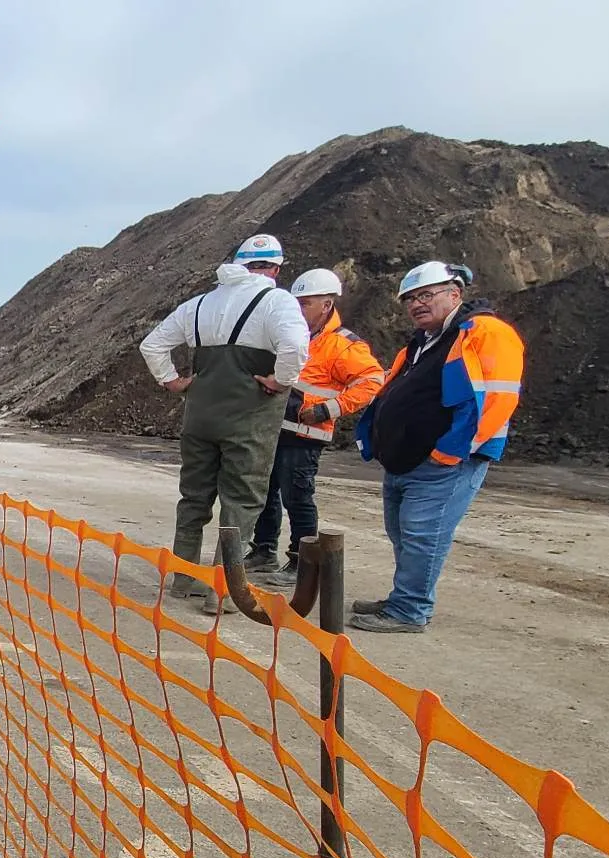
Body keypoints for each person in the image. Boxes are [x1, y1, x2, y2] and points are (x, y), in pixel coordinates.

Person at [351, 261, 525, 633]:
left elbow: (497, 398)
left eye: (426, 295)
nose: (417, 304)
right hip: (407, 460)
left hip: (445, 461)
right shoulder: (423, 343)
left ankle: (409, 610)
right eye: (410, 298)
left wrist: (450, 451)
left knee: (422, 534)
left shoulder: (485, 332)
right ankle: (404, 597)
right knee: (404, 533)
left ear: (455, 294)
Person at [139, 234, 311, 611]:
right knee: (242, 500)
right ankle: (224, 590)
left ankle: (184, 577)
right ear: (275, 269)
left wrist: (171, 380)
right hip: (248, 420)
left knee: (194, 496)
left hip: (199, 417)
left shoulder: (199, 304)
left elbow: (152, 344)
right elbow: (296, 346)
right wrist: (280, 380)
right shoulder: (276, 301)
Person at [248, 268, 387, 586]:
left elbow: (372, 381)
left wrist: (327, 409)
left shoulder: (341, 346)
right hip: (275, 429)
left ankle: (302, 563)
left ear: (326, 305)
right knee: (265, 491)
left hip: (305, 436)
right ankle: (264, 550)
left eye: (305, 303)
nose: (298, 310)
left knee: (296, 497)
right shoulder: (292, 337)